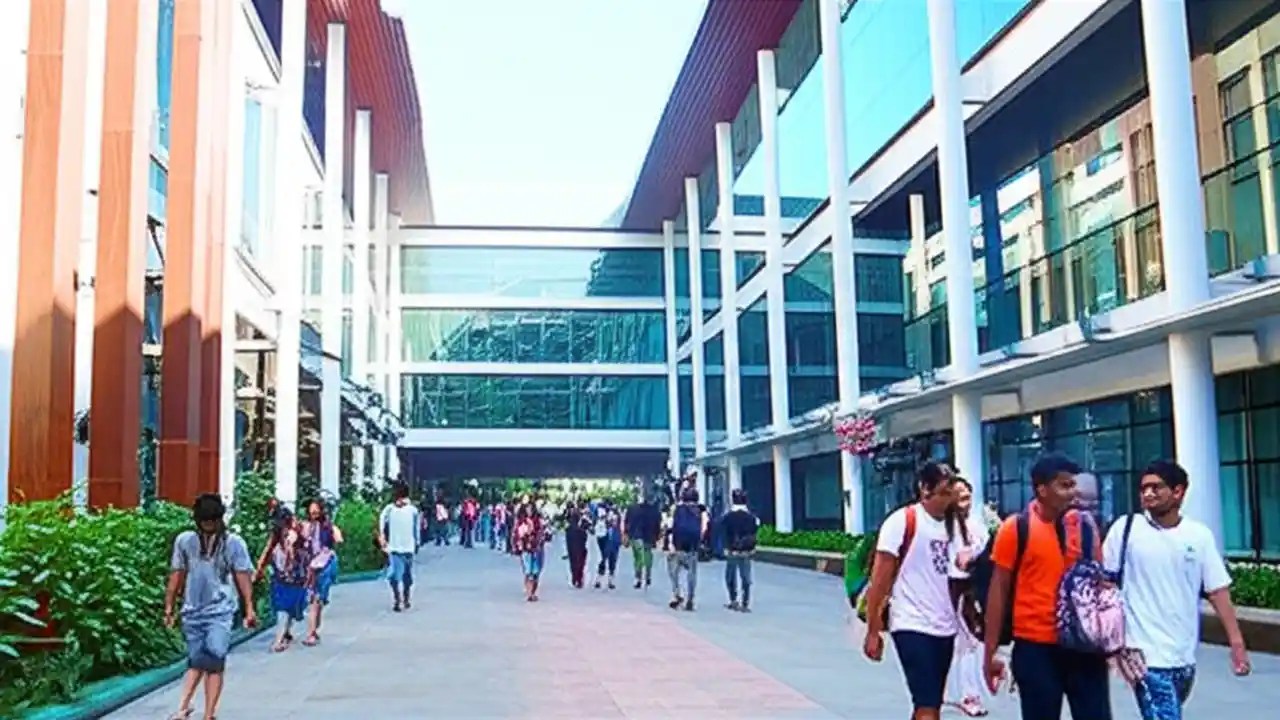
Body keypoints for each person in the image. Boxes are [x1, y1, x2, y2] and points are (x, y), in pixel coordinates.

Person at [1103, 460, 1251, 720]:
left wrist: (1237, 644)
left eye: (1156, 487)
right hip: (1141, 653)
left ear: (1178, 491)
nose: (1147, 494)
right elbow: (1105, 583)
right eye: (1144, 488)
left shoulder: (1198, 535)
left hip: (1183, 655)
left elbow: (1217, 591)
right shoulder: (1126, 529)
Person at [982, 453, 1109, 720]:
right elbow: (998, 592)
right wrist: (990, 651)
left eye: (1074, 485)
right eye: (1065, 485)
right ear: (1042, 489)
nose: (1073, 493)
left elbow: (1100, 584)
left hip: (1084, 648)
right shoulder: (1016, 528)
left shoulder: (1086, 527)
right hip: (1036, 648)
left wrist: (1108, 641)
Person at [861, 463, 958, 720]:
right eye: (944, 492)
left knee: (930, 704)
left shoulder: (955, 526)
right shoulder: (902, 521)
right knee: (927, 704)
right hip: (911, 623)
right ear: (925, 490)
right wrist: (873, 630)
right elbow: (879, 580)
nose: (950, 498)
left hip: (945, 625)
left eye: (952, 492)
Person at [164, 493, 257, 720]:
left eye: (213, 521)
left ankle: (208, 713)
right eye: (205, 521)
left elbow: (242, 576)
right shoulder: (185, 541)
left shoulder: (234, 544)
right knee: (196, 660)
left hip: (220, 611)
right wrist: (169, 606)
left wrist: (249, 608)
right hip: (192, 610)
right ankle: (183, 707)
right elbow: (177, 574)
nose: (209, 525)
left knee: (214, 659)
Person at [944, 477, 992, 718]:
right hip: (953, 589)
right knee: (966, 644)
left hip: (972, 589)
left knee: (969, 644)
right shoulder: (944, 527)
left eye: (968, 492)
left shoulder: (977, 525)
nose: (965, 496)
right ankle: (968, 695)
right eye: (959, 492)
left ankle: (967, 693)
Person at [253, 506, 309, 654]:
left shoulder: (293, 533)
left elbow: (271, 552)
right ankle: (280, 638)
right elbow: (268, 551)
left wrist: (259, 570)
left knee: (286, 608)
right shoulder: (284, 534)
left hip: (291, 578)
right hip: (289, 578)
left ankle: (284, 634)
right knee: (284, 608)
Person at [302, 499, 343, 646]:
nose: (313, 513)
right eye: (311, 510)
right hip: (311, 567)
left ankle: (314, 630)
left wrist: (334, 534)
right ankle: (312, 632)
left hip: (325, 565)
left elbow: (338, 539)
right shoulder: (306, 527)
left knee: (318, 600)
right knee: (314, 599)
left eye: (316, 510)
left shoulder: (328, 526)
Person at [377, 483, 420, 612]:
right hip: (394, 548)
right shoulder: (389, 509)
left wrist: (417, 542)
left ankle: (406, 598)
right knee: (394, 575)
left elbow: (416, 527)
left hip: (408, 548)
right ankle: (397, 599)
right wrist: (383, 538)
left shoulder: (412, 510)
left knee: (407, 575)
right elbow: (381, 522)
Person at [721, 488, 759, 612]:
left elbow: (724, 534)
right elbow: (754, 533)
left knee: (730, 577)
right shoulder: (752, 517)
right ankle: (745, 602)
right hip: (746, 551)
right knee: (746, 577)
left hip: (732, 551)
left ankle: (733, 600)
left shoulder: (727, 517)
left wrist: (725, 547)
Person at [667, 486, 705, 611]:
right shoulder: (700, 510)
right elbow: (704, 528)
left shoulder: (677, 509)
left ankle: (677, 594)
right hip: (693, 546)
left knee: (674, 571)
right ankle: (690, 599)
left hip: (678, 545)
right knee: (692, 573)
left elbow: (671, 526)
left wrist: (671, 544)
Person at [623, 491, 661, 589]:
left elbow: (626, 522)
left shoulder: (632, 509)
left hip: (635, 536)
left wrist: (626, 534)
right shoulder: (655, 510)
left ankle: (638, 578)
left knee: (637, 557)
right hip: (649, 537)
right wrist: (657, 537)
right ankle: (648, 575)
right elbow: (657, 525)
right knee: (647, 555)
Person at [513, 494, 548, 601]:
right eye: (527, 507)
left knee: (536, 572)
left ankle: (533, 592)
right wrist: (516, 545)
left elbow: (543, 532)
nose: (529, 510)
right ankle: (529, 594)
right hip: (525, 548)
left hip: (537, 548)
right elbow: (515, 534)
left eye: (530, 507)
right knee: (528, 572)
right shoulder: (520, 521)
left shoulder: (538, 521)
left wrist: (539, 537)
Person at [593, 500, 622, 590]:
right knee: (605, 557)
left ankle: (608, 580)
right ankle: (601, 579)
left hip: (613, 539)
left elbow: (619, 525)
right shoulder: (601, 514)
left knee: (611, 559)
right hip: (607, 539)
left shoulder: (615, 514)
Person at [565, 501, 591, 588]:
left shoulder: (569, 527)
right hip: (580, 546)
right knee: (580, 562)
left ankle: (575, 578)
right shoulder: (582, 523)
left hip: (573, 547)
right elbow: (590, 528)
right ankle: (578, 579)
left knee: (574, 562)